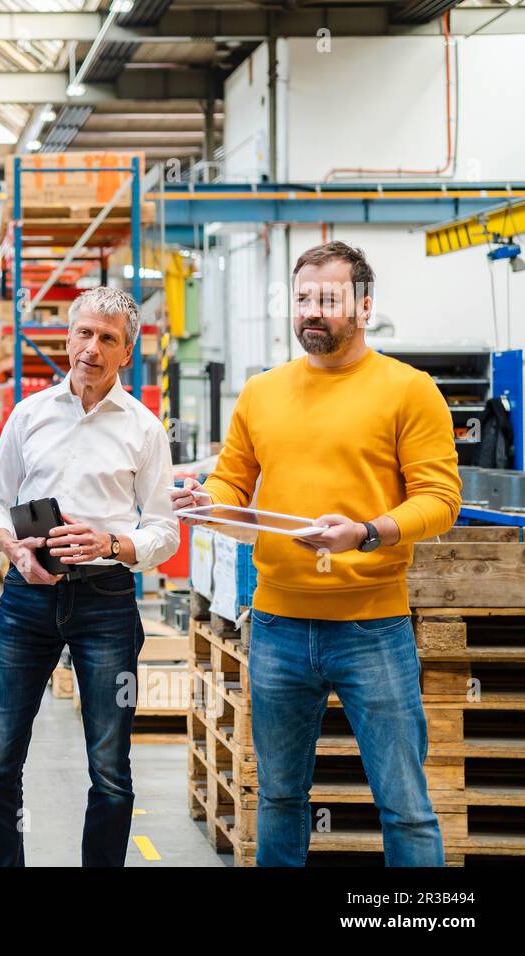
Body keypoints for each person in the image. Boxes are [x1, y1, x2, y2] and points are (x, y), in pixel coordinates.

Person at [171, 240, 461, 866]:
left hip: (372, 627)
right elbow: (232, 485)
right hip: (277, 625)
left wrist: (365, 532)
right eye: (302, 298)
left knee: (405, 802)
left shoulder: (409, 391)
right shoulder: (263, 393)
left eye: (327, 299)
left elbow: (440, 499)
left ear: (363, 305)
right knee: (278, 795)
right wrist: (204, 500)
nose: (311, 311)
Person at [0, 286, 179, 867]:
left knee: (110, 769)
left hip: (106, 602)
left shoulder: (144, 429)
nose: (92, 347)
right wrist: (10, 546)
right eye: (84, 333)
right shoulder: (28, 415)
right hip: (26, 598)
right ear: (68, 338)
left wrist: (112, 542)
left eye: (107, 339)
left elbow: (165, 530)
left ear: (126, 353)